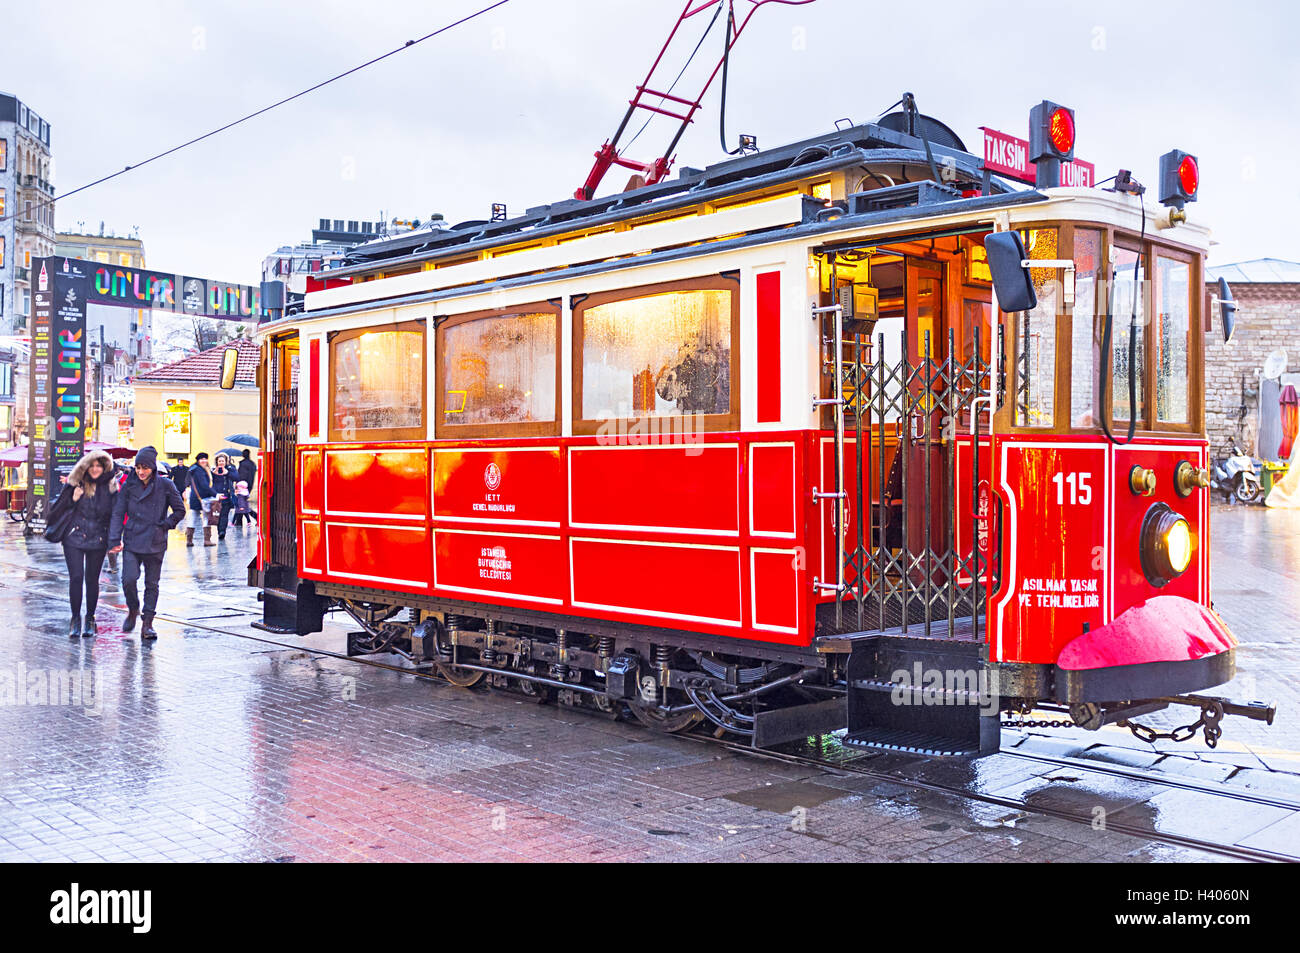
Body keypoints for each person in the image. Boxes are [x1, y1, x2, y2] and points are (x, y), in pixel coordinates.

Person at [107, 446, 185, 640]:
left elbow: (179, 510)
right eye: (138, 467)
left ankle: (147, 623)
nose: (141, 472)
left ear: (152, 467)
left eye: (145, 468)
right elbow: (118, 512)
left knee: (152, 584)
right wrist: (114, 538)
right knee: (128, 579)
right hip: (132, 539)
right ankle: (133, 609)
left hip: (155, 541)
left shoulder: (165, 485)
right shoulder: (129, 485)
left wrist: (165, 525)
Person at [48, 449, 120, 637]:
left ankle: (89, 618)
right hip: (74, 536)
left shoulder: (111, 486)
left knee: (92, 579)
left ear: (104, 468)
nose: (95, 469)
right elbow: (56, 509)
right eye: (92, 465)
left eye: (99, 466)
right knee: (76, 577)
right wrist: (73, 499)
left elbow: (115, 515)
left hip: (99, 538)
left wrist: (114, 539)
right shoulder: (76, 483)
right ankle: (75, 619)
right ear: (85, 467)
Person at [186, 452, 216, 547]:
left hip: (195, 497)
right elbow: (204, 486)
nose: (204, 461)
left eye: (205, 459)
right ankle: (207, 540)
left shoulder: (194, 469)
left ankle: (189, 540)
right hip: (202, 497)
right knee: (206, 518)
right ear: (198, 460)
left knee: (193, 517)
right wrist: (215, 494)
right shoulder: (199, 471)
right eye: (201, 459)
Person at [211, 452, 234, 540]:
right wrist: (214, 473)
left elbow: (236, 477)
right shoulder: (213, 471)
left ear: (226, 462)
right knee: (218, 515)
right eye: (219, 461)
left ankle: (222, 531)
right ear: (217, 462)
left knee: (224, 515)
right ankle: (219, 530)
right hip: (217, 497)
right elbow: (210, 482)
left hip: (226, 496)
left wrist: (227, 472)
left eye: (223, 461)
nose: (221, 462)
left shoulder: (230, 470)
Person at [234, 449, 258, 528]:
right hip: (249, 487)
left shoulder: (243, 464)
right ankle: (239, 521)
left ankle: (256, 517)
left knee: (241, 504)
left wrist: (237, 485)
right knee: (242, 504)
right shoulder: (252, 464)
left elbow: (241, 476)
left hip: (242, 487)